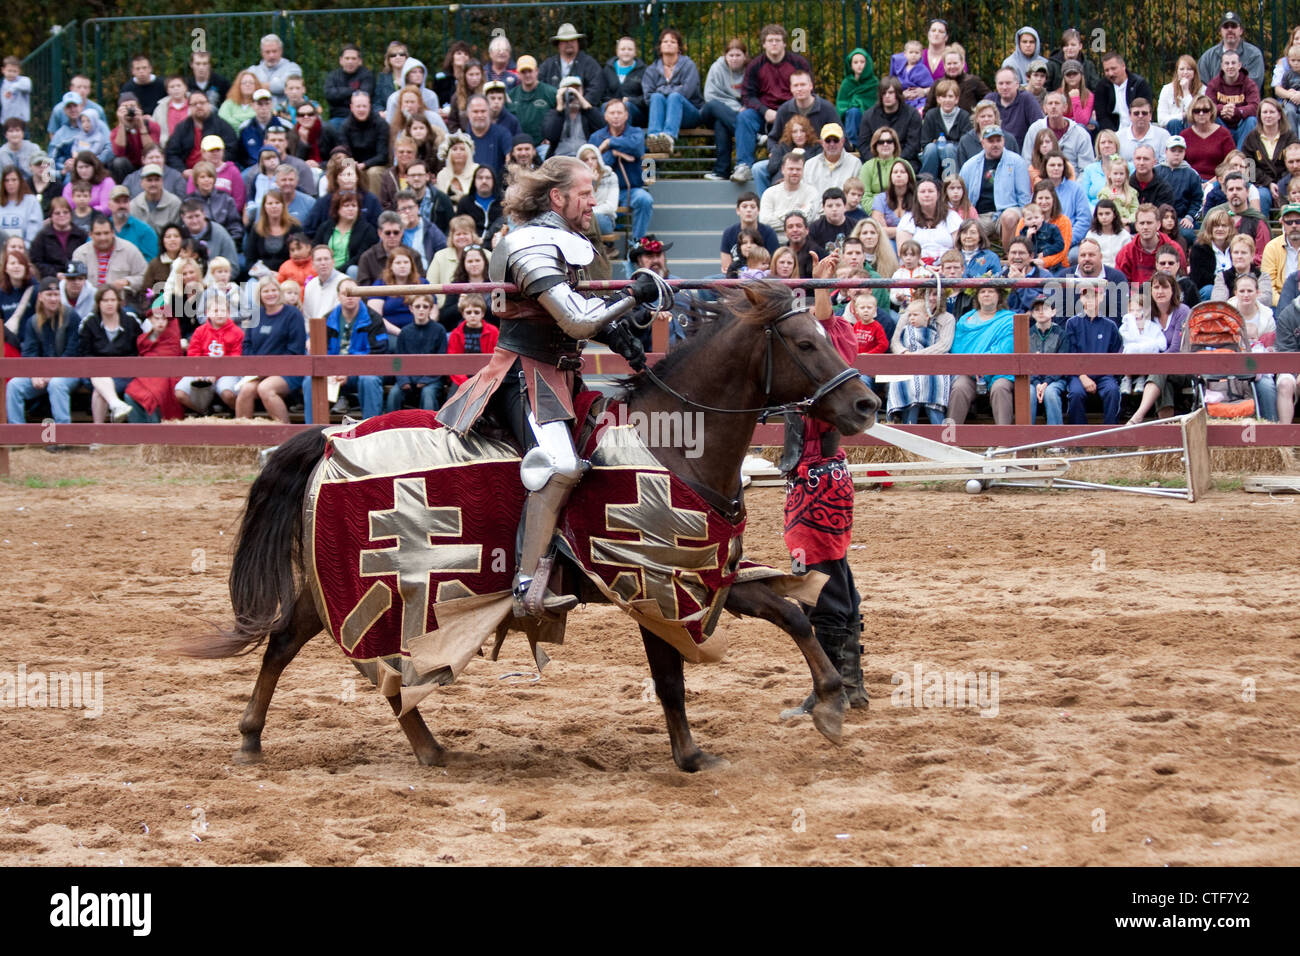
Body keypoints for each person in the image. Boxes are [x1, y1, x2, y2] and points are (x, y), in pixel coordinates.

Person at [434, 156, 658, 617]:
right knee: (559, 465)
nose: (593, 200)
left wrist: (620, 335)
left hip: (561, 374)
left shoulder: (570, 243)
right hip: (525, 374)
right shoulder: (528, 245)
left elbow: (579, 312)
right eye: (584, 192)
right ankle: (525, 585)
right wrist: (631, 295)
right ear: (557, 197)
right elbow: (575, 320)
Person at [781, 248, 869, 717]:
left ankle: (831, 687)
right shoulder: (838, 356)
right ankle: (851, 685)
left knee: (821, 587)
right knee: (838, 581)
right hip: (822, 477)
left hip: (816, 482)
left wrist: (818, 289)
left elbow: (824, 327)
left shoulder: (837, 353)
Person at [732, 24, 813, 183]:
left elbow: (808, 90)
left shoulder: (798, 63)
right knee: (744, 117)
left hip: (792, 112)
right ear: (764, 44)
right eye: (770, 40)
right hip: (764, 113)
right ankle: (744, 166)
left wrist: (786, 110)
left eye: (777, 40)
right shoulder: (755, 66)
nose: (774, 43)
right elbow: (747, 95)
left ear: (784, 43)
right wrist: (764, 110)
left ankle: (799, 164)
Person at [5, 277, 80, 428]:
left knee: (56, 384)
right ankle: (18, 433)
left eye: (56, 294)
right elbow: (29, 353)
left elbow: (72, 353)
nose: (53, 299)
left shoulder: (71, 317)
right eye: (49, 295)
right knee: (14, 385)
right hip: (42, 374)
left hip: (69, 373)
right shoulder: (32, 321)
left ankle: (63, 435)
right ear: (40, 297)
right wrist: (34, 374)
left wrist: (50, 374)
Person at [1127, 270, 1193, 423]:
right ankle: (1166, 427)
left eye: (1164, 287)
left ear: (1173, 290)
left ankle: (1138, 416)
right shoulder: (1146, 314)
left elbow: (1176, 349)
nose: (1160, 291)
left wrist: (1153, 363)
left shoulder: (1182, 311)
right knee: (1164, 382)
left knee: (1161, 369)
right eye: (1156, 287)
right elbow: (1133, 339)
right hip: (1156, 370)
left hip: (1183, 368)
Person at [588, 98, 653, 240]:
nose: (616, 116)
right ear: (605, 116)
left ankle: (636, 244)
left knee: (645, 199)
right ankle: (605, 246)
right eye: (612, 113)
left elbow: (637, 148)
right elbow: (596, 165)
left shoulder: (636, 133)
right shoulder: (596, 137)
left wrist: (610, 143)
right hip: (603, 191)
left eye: (619, 112)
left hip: (628, 190)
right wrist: (614, 153)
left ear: (626, 115)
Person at [949, 285, 1015, 423]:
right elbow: (958, 348)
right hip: (970, 372)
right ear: (977, 297)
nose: (986, 294)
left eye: (991, 291)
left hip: (999, 372)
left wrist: (984, 368)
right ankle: (949, 438)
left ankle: (1005, 441)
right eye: (982, 292)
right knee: (959, 388)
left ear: (999, 296)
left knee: (1000, 388)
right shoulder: (965, 320)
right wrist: (973, 369)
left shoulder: (1009, 319)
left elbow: (1004, 349)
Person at [959, 125, 1031, 250]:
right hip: (979, 215)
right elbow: (961, 194)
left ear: (1004, 141)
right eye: (990, 141)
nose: (995, 144)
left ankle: (1011, 257)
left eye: (998, 140)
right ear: (982, 143)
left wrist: (1026, 218)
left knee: (1009, 217)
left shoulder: (1016, 162)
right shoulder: (970, 165)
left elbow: (1024, 197)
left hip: (1006, 211)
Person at [78, 285, 142, 422]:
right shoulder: (89, 322)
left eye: (113, 300)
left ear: (118, 301)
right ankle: (115, 404)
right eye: (105, 300)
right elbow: (84, 353)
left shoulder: (130, 320)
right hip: (95, 372)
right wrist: (102, 367)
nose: (109, 304)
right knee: (99, 380)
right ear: (98, 303)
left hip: (124, 373)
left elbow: (138, 348)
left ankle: (98, 436)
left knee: (99, 392)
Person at [1064, 280, 1123, 424]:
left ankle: (1110, 437)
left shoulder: (1110, 325)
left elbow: (1115, 355)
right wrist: (1083, 376)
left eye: (1094, 296)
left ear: (1101, 297)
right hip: (1078, 374)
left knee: (1112, 391)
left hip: (1104, 374)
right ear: (1081, 298)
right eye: (1086, 296)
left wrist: (1106, 373)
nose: (1090, 300)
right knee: (1076, 393)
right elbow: (1070, 354)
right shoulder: (1072, 323)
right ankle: (1078, 439)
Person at [641, 29, 703, 156]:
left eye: (673, 42)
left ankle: (668, 138)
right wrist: (673, 88)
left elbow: (686, 92)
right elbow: (648, 97)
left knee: (674, 97)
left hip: (688, 114)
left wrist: (661, 89)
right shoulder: (651, 70)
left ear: (679, 47)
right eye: (665, 41)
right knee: (657, 97)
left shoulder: (688, 65)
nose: (669, 44)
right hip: (662, 115)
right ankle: (654, 137)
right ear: (660, 46)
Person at [386, 293, 448, 411]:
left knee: (428, 393)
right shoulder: (404, 332)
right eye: (417, 306)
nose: (421, 310)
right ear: (411, 308)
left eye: (425, 306)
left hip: (432, 379)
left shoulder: (439, 330)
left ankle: (428, 427)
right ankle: (390, 426)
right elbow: (398, 361)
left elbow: (441, 361)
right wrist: (403, 380)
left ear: (430, 309)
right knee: (394, 394)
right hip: (408, 378)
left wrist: (426, 380)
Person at [700, 38, 748, 181]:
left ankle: (721, 171)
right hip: (713, 110)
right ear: (725, 56)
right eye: (731, 55)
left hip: (733, 116)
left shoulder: (750, 70)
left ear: (744, 56)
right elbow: (710, 95)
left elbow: (754, 93)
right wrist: (736, 108)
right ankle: (749, 133)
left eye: (738, 55)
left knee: (721, 123)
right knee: (714, 106)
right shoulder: (717, 67)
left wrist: (744, 108)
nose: (734, 59)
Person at [857, 77, 922, 168]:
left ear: (898, 94)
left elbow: (913, 145)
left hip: (904, 161)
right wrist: (877, 161)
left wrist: (895, 162)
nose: (887, 96)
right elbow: (863, 145)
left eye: (891, 92)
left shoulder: (912, 114)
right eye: (884, 93)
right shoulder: (869, 116)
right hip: (875, 162)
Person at [1199, 11, 1267, 91]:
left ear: (1241, 30)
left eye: (1234, 26)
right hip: (1214, 103)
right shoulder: (1207, 57)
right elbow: (1203, 88)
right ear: (1220, 31)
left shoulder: (1254, 55)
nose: (1230, 29)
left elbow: (1253, 87)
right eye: (1226, 26)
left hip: (1245, 102)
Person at [1206, 50, 1260, 149]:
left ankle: (1240, 156)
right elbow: (1207, 106)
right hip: (1221, 124)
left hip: (1242, 125)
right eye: (1227, 63)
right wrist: (1221, 109)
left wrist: (1237, 111)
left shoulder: (1249, 83)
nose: (1230, 66)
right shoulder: (1213, 84)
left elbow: (1255, 106)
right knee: (1212, 117)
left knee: (1251, 120)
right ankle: (1223, 154)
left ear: (1239, 65)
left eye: (1233, 63)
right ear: (1222, 66)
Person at [446, 292, 498, 392]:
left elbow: (495, 359)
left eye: (476, 312)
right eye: (469, 312)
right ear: (463, 314)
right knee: (453, 398)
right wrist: (465, 382)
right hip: (461, 378)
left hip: (487, 377)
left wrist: (484, 379)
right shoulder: (456, 334)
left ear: (483, 313)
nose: (473, 315)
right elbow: (453, 362)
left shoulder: (493, 332)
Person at [760, 151, 819, 240]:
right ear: (783, 169)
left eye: (798, 169)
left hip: (803, 244)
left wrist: (778, 215)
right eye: (791, 169)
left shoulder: (812, 192)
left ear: (803, 170)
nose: (794, 172)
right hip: (776, 244)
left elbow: (812, 220)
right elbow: (765, 222)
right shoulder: (769, 193)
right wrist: (798, 213)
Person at [918, 80, 971, 178]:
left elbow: (965, 144)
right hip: (934, 152)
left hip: (954, 154)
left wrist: (947, 145)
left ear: (957, 99)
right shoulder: (931, 115)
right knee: (930, 148)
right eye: (943, 96)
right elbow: (925, 142)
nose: (947, 100)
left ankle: (951, 182)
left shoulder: (964, 116)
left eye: (950, 96)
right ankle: (927, 180)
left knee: (949, 148)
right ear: (938, 99)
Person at [1094, 52, 1155, 134]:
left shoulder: (1139, 84)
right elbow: (1102, 116)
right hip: (1113, 133)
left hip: (1138, 131)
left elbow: (1145, 111)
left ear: (1123, 66)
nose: (1110, 73)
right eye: (1107, 70)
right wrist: (1113, 135)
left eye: (1113, 69)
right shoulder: (1102, 87)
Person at [719, 191, 778, 272]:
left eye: (753, 207)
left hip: (762, 277)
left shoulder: (769, 233)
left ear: (758, 211)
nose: (749, 210)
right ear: (738, 210)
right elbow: (726, 267)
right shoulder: (729, 233)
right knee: (707, 281)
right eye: (744, 206)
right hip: (734, 277)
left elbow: (774, 264)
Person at [509, 56, 559, 151]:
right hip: (519, 148)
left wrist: (552, 137)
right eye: (523, 72)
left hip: (543, 145)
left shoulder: (551, 92)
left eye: (530, 71)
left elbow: (561, 117)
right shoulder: (511, 96)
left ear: (536, 71)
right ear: (518, 74)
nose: (527, 75)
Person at [984, 67, 1044, 147]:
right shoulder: (990, 100)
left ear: (1017, 84)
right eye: (1001, 83)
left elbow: (1039, 128)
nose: (1004, 87)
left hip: (1021, 152)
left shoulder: (1027, 99)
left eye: (1008, 83)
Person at [837, 47, 878, 152]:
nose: (859, 65)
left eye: (862, 62)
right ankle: (852, 144)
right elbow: (841, 104)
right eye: (855, 62)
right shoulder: (846, 83)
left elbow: (875, 102)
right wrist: (855, 104)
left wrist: (860, 102)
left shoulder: (874, 82)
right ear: (850, 65)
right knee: (853, 112)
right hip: (852, 117)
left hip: (870, 116)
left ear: (867, 63)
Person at [248, 34, 303, 109]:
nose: (271, 55)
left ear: (281, 51)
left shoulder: (293, 68)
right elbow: (246, 90)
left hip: (286, 114)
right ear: (262, 53)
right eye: (267, 52)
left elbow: (283, 86)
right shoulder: (253, 70)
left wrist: (258, 85)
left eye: (274, 51)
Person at [601, 36, 647, 125]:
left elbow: (647, 97)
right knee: (604, 106)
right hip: (612, 108)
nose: (626, 52)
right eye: (623, 49)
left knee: (627, 106)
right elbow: (603, 94)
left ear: (635, 52)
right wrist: (614, 103)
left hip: (635, 111)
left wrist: (631, 100)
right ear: (617, 52)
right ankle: (606, 136)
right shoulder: (608, 69)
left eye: (630, 49)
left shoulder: (643, 70)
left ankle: (624, 137)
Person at [325, 44, 375, 126]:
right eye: (347, 58)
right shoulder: (333, 76)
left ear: (359, 61)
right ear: (341, 60)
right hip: (338, 117)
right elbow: (330, 95)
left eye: (353, 58)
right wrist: (354, 91)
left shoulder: (367, 75)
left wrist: (340, 92)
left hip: (360, 117)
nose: (350, 61)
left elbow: (365, 95)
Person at [1159, 55, 1205, 135]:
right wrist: (1182, 115)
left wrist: (1186, 91)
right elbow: (1161, 119)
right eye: (1182, 69)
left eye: (1189, 69)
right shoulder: (1167, 89)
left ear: (1194, 72)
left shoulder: (1202, 89)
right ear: (1177, 72)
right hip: (1173, 131)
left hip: (1195, 129)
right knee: (1174, 123)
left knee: (1190, 122)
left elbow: (1196, 114)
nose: (1185, 72)